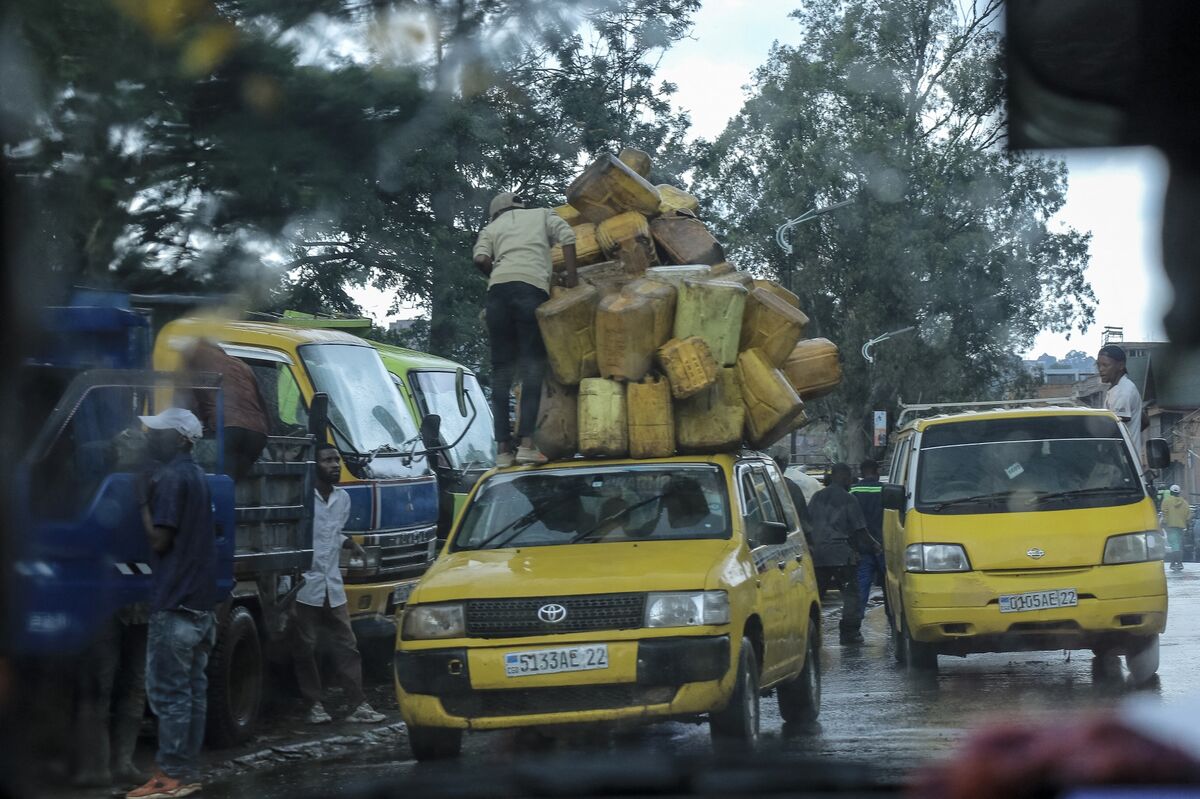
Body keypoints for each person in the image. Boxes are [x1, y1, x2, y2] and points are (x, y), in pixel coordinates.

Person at [128, 408, 221, 799]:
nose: (151, 436)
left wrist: (141, 503)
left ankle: (169, 776)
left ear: (181, 439)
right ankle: (186, 772)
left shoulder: (170, 478)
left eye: (160, 432)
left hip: (175, 603)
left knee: (169, 695)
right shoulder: (198, 476)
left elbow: (160, 541)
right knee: (193, 693)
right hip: (201, 606)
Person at [473, 192, 577, 467]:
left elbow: (481, 259)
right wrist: (573, 280)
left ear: (496, 213)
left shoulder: (491, 228)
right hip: (530, 291)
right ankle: (527, 446)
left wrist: (498, 274)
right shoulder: (541, 214)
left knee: (501, 373)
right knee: (532, 369)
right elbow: (568, 237)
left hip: (497, 297)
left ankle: (503, 450)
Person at [292, 444, 386, 725]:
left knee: (347, 645)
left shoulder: (342, 499)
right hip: (304, 585)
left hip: (332, 584)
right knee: (306, 648)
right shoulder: (301, 498)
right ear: (314, 466)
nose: (335, 465)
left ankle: (358, 704)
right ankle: (313, 704)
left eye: (337, 460)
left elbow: (331, 534)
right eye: (327, 460)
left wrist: (348, 543)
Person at [72, 606, 148, 789]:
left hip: (145, 609)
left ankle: (123, 764)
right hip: (104, 606)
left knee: (135, 687)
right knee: (99, 687)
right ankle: (98, 767)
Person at [807, 463, 878, 645]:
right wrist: (875, 545)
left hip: (818, 556)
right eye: (849, 478)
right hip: (842, 556)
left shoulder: (817, 497)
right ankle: (849, 633)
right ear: (845, 477)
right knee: (851, 594)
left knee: (816, 597)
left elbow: (806, 525)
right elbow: (860, 530)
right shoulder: (849, 499)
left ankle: (810, 633)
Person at [185, 339, 270, 480]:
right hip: (258, 433)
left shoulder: (195, 358)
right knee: (230, 482)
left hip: (228, 428)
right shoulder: (241, 365)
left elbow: (188, 401)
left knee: (216, 481)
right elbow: (261, 403)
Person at [1097, 344, 1147, 462]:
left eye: (1105, 365)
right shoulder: (1118, 388)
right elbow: (1145, 420)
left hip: (1123, 461)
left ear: (1120, 365)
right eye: (1099, 365)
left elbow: (1114, 430)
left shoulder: (1123, 391)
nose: (1101, 369)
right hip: (1125, 459)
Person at [850, 459, 887, 616]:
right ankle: (892, 619)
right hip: (884, 546)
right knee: (889, 586)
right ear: (877, 472)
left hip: (862, 547)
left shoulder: (853, 491)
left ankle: (855, 623)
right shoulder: (885, 490)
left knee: (862, 586)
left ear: (861, 472)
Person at [1162, 484, 1190, 571]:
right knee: (1178, 545)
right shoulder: (1185, 503)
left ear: (1170, 492)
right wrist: (1186, 523)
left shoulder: (1166, 501)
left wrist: (1164, 522)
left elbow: (1164, 513)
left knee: (1174, 545)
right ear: (1179, 492)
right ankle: (1175, 563)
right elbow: (1188, 515)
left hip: (1171, 526)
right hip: (1181, 527)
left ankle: (1178, 563)